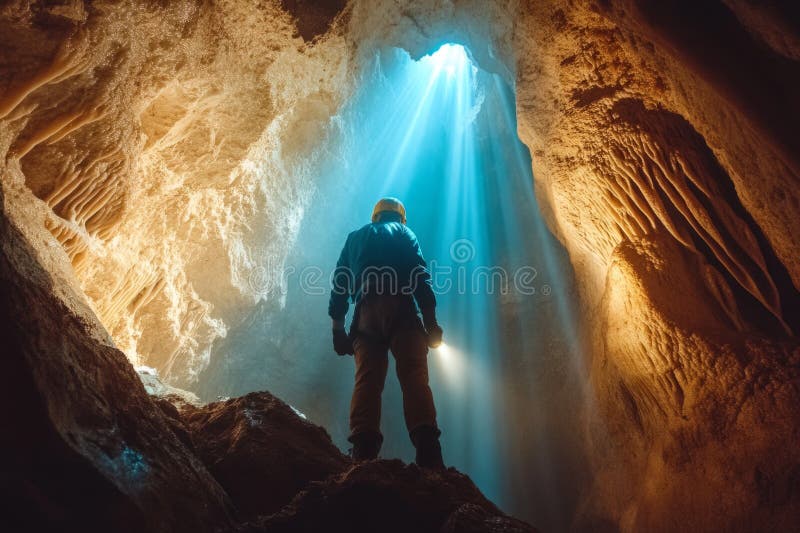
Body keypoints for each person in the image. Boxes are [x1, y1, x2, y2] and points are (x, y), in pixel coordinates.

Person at [328, 197, 445, 468]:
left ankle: (363, 453)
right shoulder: (405, 233)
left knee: (367, 381)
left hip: (366, 313)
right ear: (400, 218)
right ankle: (429, 453)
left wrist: (338, 330)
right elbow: (419, 275)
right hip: (401, 308)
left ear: (375, 216)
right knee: (414, 376)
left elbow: (340, 284)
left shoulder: (355, 238)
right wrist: (431, 323)